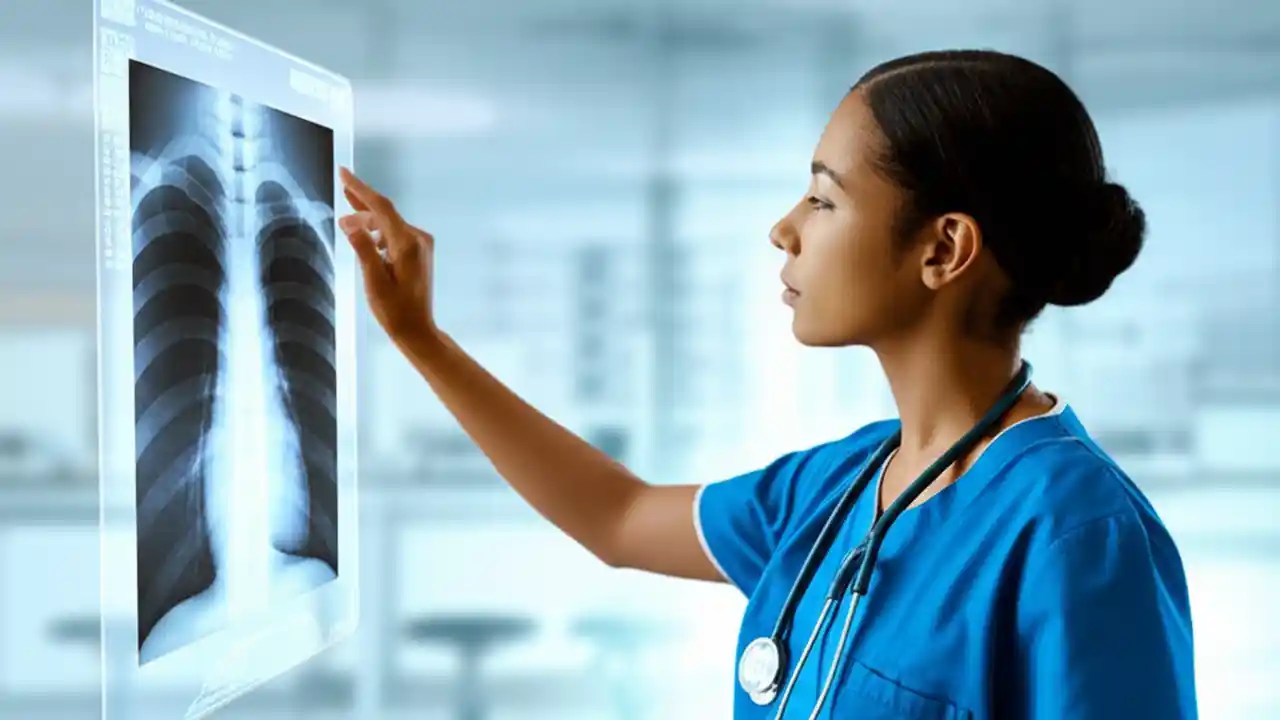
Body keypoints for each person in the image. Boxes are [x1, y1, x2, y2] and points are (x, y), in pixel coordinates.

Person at [337, 49, 1197, 719]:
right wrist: (421, 339)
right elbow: (618, 517)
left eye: (824, 201)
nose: (783, 229)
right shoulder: (844, 483)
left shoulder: (1078, 535)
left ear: (943, 249)